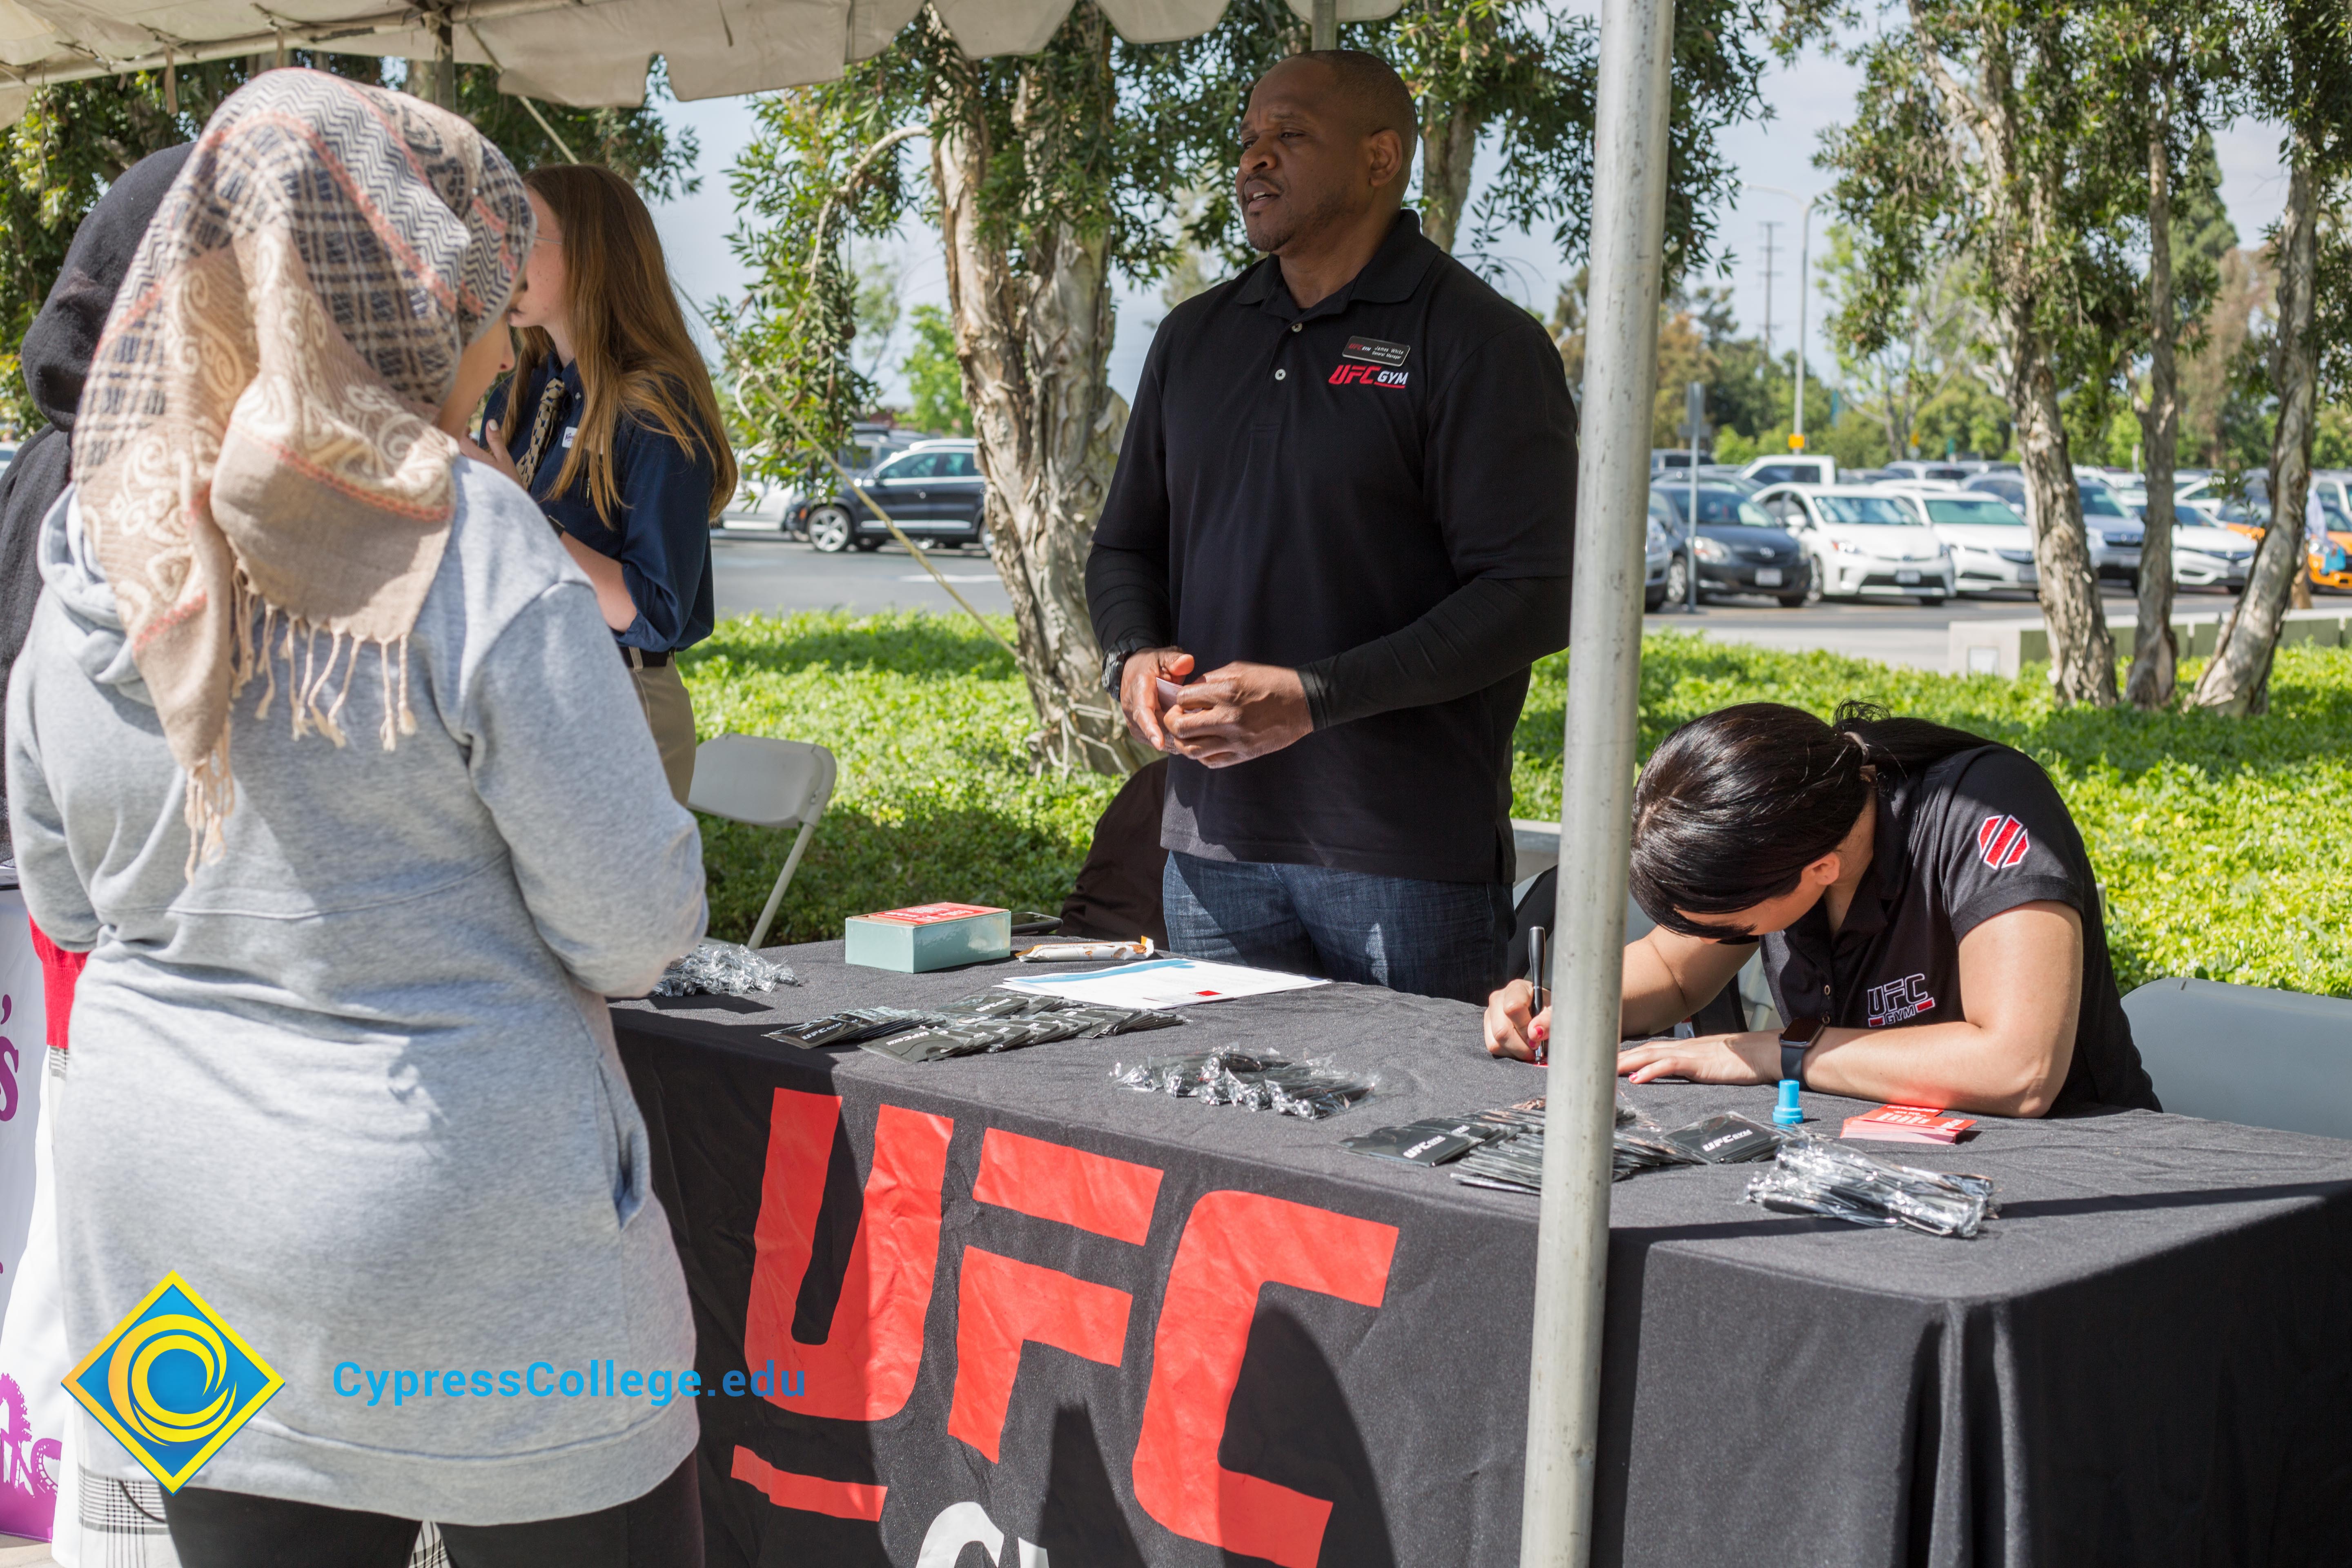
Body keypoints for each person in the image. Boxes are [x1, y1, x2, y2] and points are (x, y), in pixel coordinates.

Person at [8, 69, 707, 1564]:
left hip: (158, 1226)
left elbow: (64, 894)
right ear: (395, 293)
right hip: (452, 1233)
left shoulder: (94, 530)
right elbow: (635, 929)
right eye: (479, 291)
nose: (501, 331)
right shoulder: (468, 537)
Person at [1085, 49, 1576, 1004]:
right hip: (1211, 849)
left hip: (1403, 858)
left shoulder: (1479, 342)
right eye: (1248, 138)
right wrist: (1133, 655)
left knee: (1400, 1149)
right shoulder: (1196, 335)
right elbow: (1123, 547)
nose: (1254, 160)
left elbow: (1534, 595)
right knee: (1224, 1136)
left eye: (1290, 135)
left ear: (1381, 157)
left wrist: (1315, 696)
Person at [1483, 702, 2160, 1116]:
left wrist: (1773, 1053)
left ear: (1821, 871)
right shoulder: (1793, 821)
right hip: (1877, 1154)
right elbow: (1673, 965)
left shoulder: (1987, 812)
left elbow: (2018, 1069)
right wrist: (1566, 1008)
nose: (1720, 941)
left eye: (1734, 927)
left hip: (2075, 1169)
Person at [481, 163, 733, 806]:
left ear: (593, 252)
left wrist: (525, 522)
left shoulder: (653, 403)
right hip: (528, 695)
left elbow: (655, 612)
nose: (502, 257)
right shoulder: (520, 393)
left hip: (620, 700)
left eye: (525, 236)